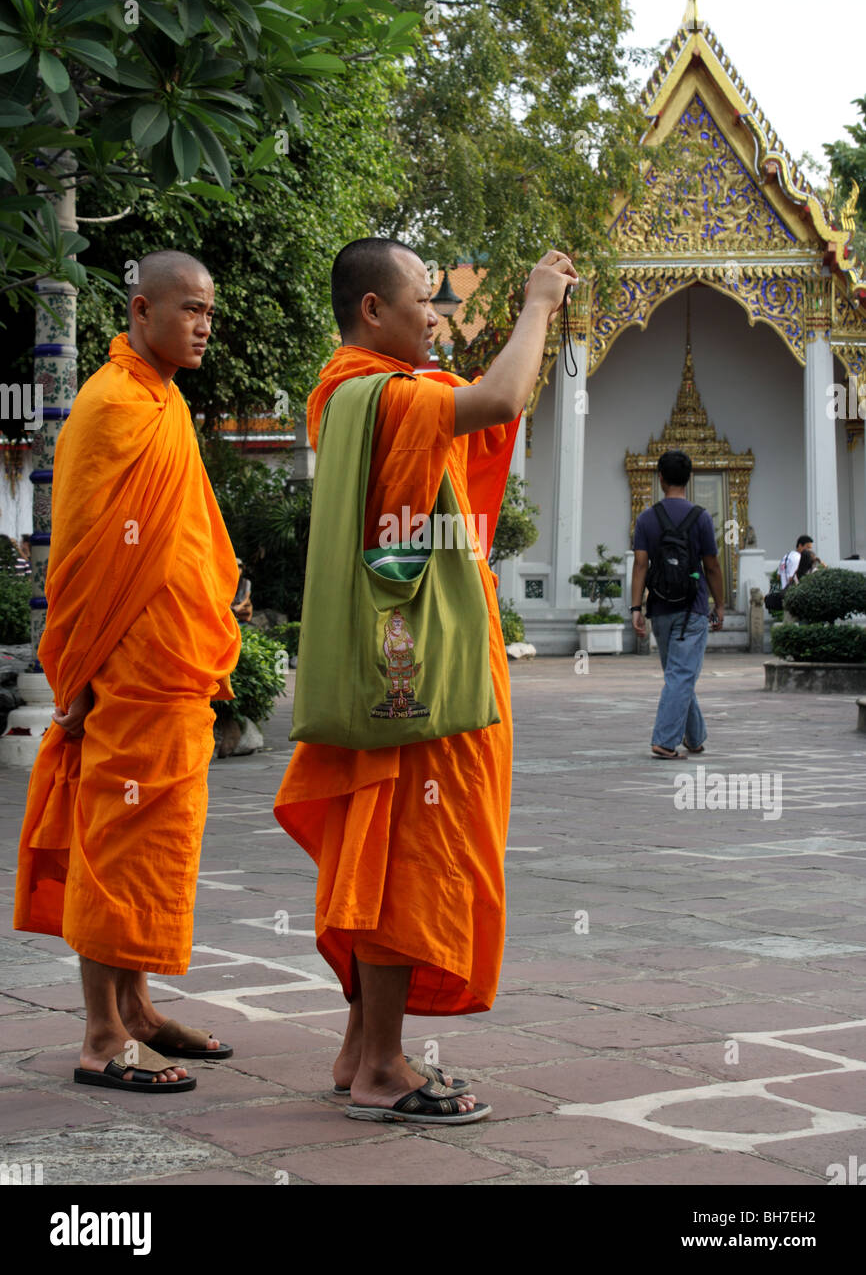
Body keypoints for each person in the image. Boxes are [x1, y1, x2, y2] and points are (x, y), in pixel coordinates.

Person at [274, 239, 577, 1124]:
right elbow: (501, 398)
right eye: (422, 300)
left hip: (403, 659)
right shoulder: (378, 394)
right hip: (419, 672)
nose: (436, 314)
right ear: (373, 311)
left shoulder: (359, 397)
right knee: (410, 855)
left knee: (384, 847)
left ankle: (359, 1049)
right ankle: (381, 1068)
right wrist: (536, 305)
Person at [14, 250, 241, 1092]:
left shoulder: (163, 403)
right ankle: (103, 1036)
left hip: (174, 664)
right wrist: (80, 670)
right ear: (141, 311)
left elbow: (178, 528)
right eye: (188, 310)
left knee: (154, 849)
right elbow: (79, 556)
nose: (203, 326)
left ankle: (140, 1009)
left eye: (209, 313)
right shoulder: (110, 405)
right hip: (130, 669)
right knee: (117, 841)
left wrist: (217, 586)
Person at [630, 449, 725, 759]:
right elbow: (711, 566)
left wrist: (636, 608)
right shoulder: (701, 518)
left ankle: (695, 737)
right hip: (692, 609)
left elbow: (640, 565)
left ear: (660, 478)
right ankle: (665, 741)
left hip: (660, 609)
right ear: (690, 478)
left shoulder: (646, 518)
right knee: (681, 675)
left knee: (678, 674)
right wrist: (719, 604)